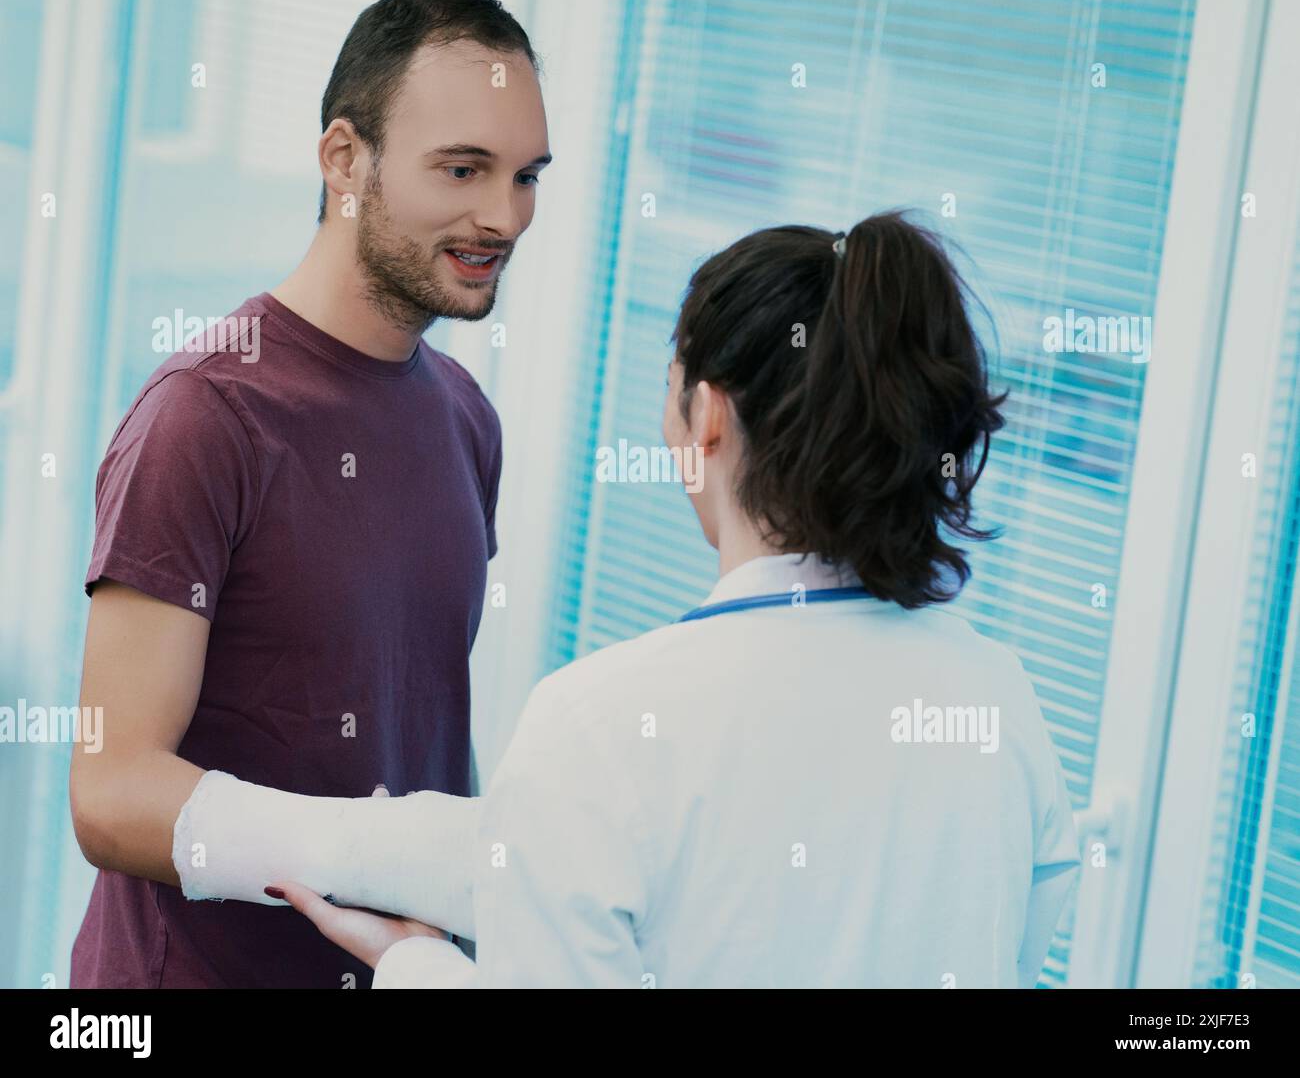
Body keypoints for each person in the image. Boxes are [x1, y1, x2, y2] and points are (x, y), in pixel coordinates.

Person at [180, 211, 1082, 987]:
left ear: (710, 417)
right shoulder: (999, 703)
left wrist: (417, 967)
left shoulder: (603, 722)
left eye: (670, 388)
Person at [67, 0, 550, 988]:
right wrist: (385, 847)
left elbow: (406, 716)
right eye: (462, 168)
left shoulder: (465, 415)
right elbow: (110, 793)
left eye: (524, 176)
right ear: (344, 160)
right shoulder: (202, 417)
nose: (502, 215)